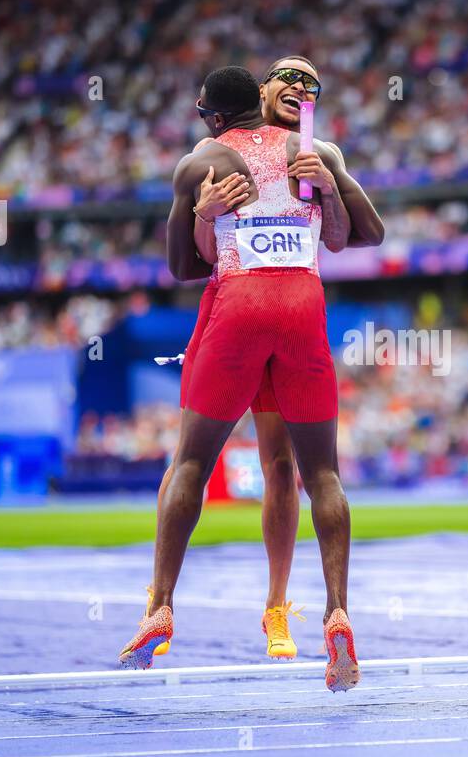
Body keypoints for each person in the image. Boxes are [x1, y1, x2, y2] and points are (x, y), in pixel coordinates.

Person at [119, 65, 362, 691]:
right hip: (302, 308)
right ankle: (336, 610)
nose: (295, 93)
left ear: (208, 113)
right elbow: (354, 239)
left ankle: (162, 608)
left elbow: (180, 268)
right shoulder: (311, 151)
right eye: (286, 82)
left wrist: (199, 213)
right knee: (322, 474)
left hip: (237, 308)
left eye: (303, 86)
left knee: (191, 463)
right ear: (261, 97)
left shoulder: (204, 159)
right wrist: (327, 188)